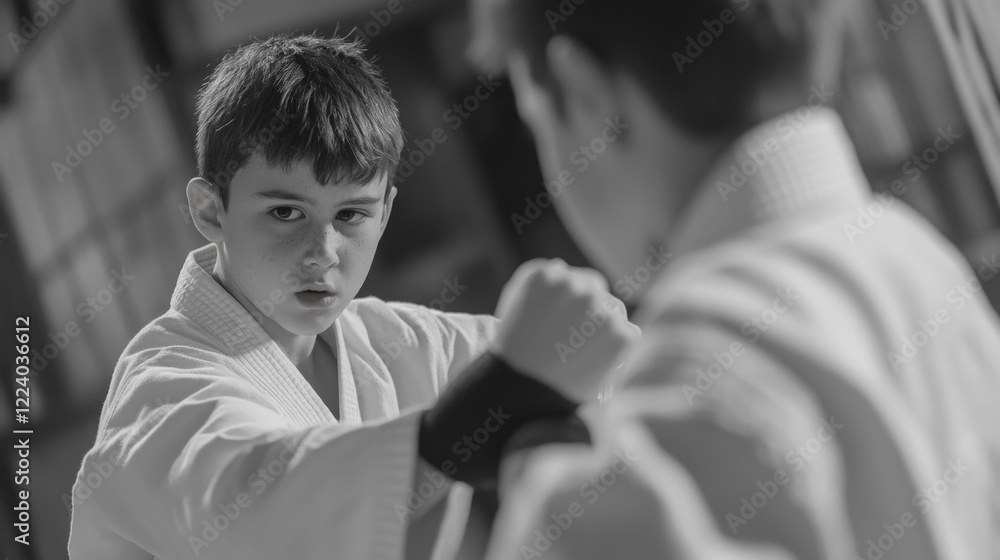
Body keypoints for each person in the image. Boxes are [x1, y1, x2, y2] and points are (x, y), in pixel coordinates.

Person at [66, 34, 636, 560]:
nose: (323, 251)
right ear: (211, 211)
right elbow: (261, 519)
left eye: (351, 215)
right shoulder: (165, 391)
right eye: (285, 212)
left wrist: (602, 341)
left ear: (384, 213)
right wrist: (476, 413)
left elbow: (598, 373)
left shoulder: (390, 342)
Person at [470, 0, 1000, 558]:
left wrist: (530, 444)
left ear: (586, 94)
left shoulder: (707, 358)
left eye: (535, 125)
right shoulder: (912, 250)